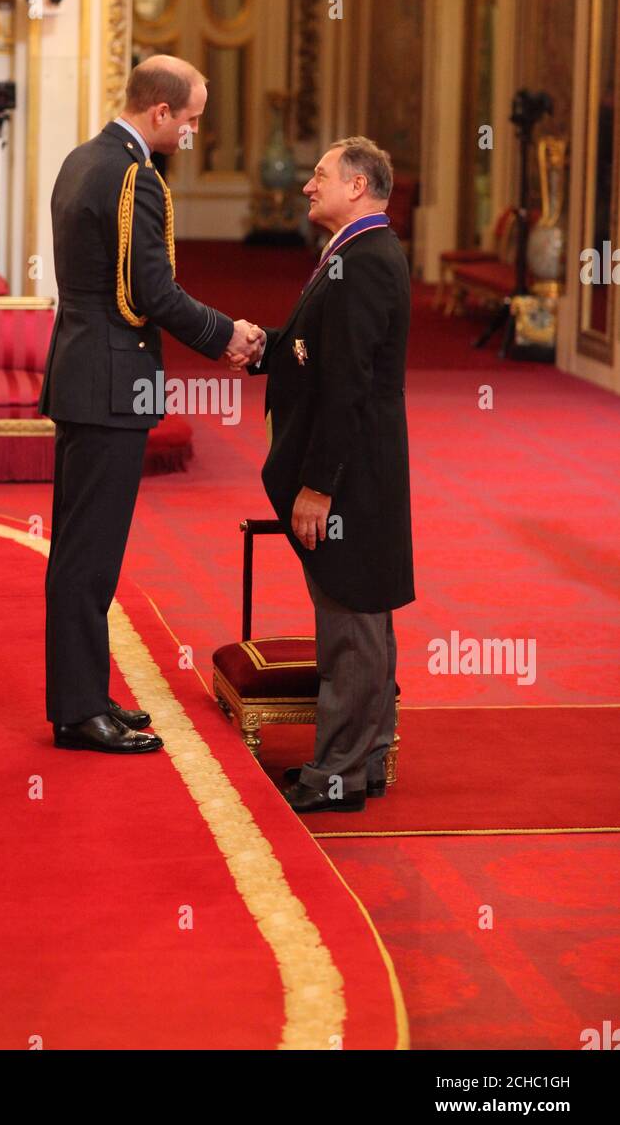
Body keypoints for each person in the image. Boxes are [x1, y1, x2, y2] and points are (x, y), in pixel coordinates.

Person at [41, 55, 263, 754]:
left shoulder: (83, 157)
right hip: (109, 382)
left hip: (82, 371)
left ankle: (84, 694)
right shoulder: (134, 175)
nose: (194, 131)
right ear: (160, 111)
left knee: (81, 550)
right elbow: (150, 294)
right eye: (192, 118)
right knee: (89, 557)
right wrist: (227, 335)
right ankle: (78, 712)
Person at [243, 136, 414, 812]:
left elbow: (346, 385)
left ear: (359, 186)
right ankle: (366, 758)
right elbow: (323, 354)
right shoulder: (354, 252)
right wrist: (269, 350)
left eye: (320, 175)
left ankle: (339, 773)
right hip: (360, 465)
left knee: (350, 618)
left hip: (352, 472)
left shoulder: (366, 261)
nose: (309, 186)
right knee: (361, 611)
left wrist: (319, 487)